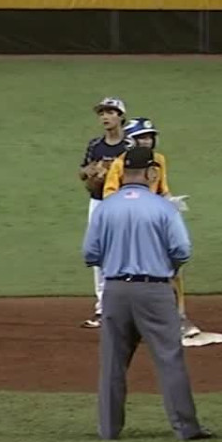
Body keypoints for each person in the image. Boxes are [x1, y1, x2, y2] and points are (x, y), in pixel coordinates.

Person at [83, 146, 213, 441]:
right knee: (169, 358)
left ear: (122, 172)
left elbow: (90, 253)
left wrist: (116, 259)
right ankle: (186, 429)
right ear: (150, 172)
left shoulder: (106, 208)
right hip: (154, 290)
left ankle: (108, 429)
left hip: (115, 291)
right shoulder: (163, 208)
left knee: (112, 362)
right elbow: (182, 250)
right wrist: (164, 264)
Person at [102, 118, 222, 348]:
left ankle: (178, 319)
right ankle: (142, 323)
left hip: (153, 222)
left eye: (149, 137)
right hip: (129, 225)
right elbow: (109, 197)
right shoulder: (119, 165)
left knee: (173, 271)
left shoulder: (159, 161)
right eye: (141, 137)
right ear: (131, 141)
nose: (147, 141)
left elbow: (162, 190)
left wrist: (170, 202)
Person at [79, 97, 131, 328]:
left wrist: (112, 173)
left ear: (121, 116)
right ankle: (102, 309)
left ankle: (129, 307)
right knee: (99, 253)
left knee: (127, 250)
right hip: (98, 203)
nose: (105, 117)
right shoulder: (95, 145)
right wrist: (91, 171)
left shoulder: (130, 145)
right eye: (102, 113)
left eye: (110, 112)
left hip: (125, 203)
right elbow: (82, 172)